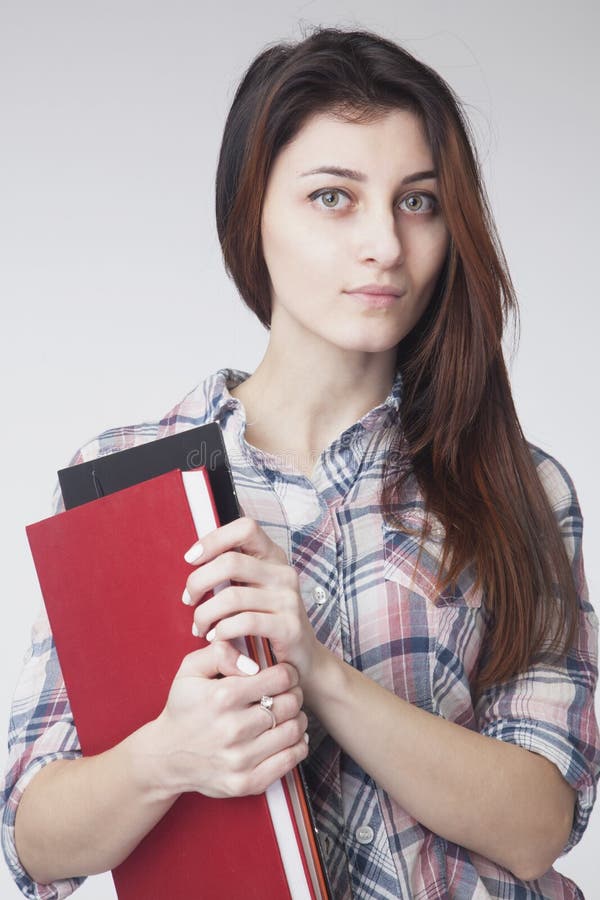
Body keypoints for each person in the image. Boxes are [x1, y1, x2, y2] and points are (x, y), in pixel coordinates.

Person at [2, 25, 600, 900]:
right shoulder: (129, 480)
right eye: (333, 197)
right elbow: (33, 839)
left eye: (418, 201)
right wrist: (165, 758)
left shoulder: (517, 486)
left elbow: (538, 826)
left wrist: (321, 673)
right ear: (252, 212)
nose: (385, 244)